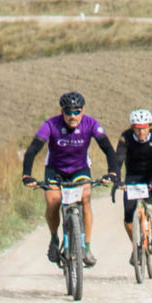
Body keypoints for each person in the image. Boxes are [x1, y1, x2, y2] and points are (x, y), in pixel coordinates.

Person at [21, 91, 117, 268]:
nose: (73, 116)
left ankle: (86, 247)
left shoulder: (91, 124)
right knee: (54, 200)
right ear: (62, 111)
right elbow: (33, 149)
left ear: (83, 111)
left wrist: (112, 172)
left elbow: (108, 148)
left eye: (76, 112)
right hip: (55, 169)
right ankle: (54, 239)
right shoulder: (51, 125)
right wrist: (26, 174)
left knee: (85, 198)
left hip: (79, 169)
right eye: (68, 112)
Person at [115, 107, 152, 254]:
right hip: (133, 175)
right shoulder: (125, 137)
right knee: (128, 215)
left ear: (150, 127)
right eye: (137, 129)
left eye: (144, 128)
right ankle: (136, 246)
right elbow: (118, 159)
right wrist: (117, 180)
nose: (141, 132)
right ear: (132, 128)